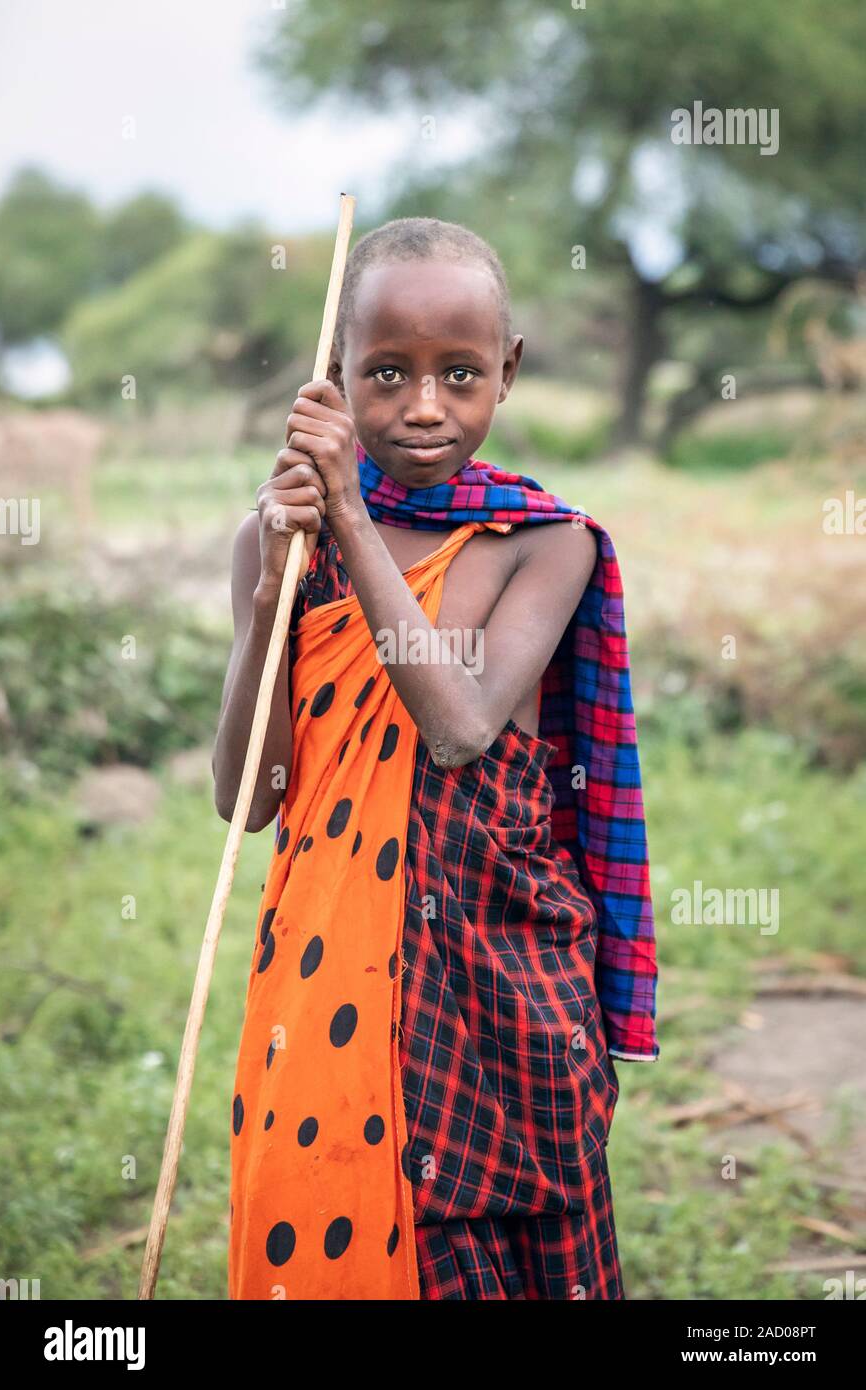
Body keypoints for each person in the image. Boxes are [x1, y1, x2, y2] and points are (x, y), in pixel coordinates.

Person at [213, 217, 659, 1301]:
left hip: (503, 980)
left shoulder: (543, 542)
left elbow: (459, 728)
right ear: (335, 377)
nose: (422, 405)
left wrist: (353, 522)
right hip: (328, 977)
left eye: (458, 373)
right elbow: (248, 798)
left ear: (505, 372)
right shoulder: (280, 540)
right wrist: (274, 584)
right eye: (385, 373)